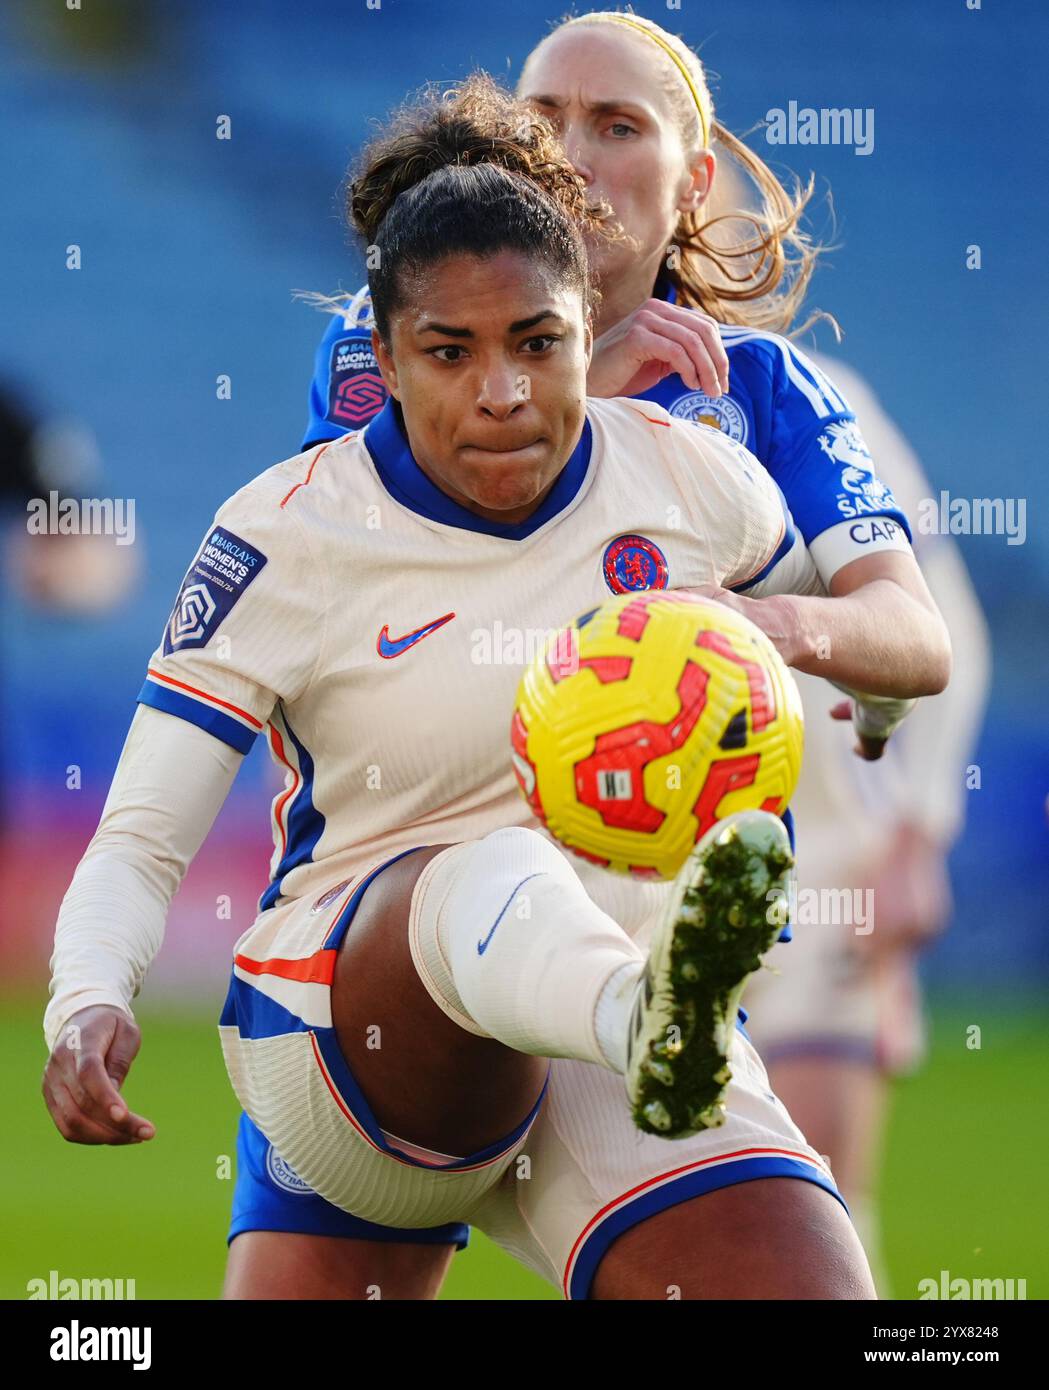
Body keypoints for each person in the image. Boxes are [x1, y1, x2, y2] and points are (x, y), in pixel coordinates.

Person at [42, 81, 947, 1301]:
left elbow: (854, 628)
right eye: (449, 353)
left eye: (536, 343)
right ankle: (646, 1020)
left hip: (610, 1039)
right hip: (357, 1044)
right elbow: (145, 836)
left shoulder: (690, 479)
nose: (503, 395)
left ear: (592, 328)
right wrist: (86, 999)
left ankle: (649, 1022)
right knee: (484, 863)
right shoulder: (286, 534)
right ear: (382, 358)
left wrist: (875, 720)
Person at [742, 353, 991, 1292]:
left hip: (821, 859)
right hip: (622, 868)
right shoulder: (544, 383)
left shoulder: (792, 389)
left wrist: (915, 832)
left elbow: (936, 621)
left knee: (813, 1221)